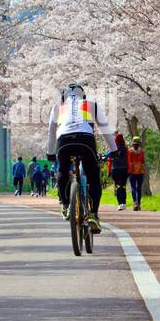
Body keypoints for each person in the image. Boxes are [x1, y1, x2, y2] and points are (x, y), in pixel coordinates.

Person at [46, 82, 116, 232]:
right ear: (83, 95)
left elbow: (51, 131)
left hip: (63, 141)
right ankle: (93, 215)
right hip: (85, 140)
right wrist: (114, 150)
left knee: (63, 171)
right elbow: (104, 129)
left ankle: (65, 205)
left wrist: (50, 153)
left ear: (64, 97)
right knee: (93, 176)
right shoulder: (91, 104)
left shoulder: (57, 108)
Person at [106, 132, 130, 211]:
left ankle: (120, 203)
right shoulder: (126, 149)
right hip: (124, 169)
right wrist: (129, 170)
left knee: (118, 186)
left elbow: (109, 160)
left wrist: (108, 170)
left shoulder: (113, 149)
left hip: (115, 169)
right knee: (123, 186)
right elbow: (129, 160)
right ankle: (124, 203)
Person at [127, 136, 146, 211]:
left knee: (133, 188)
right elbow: (143, 162)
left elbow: (128, 161)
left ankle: (135, 203)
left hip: (132, 171)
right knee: (139, 188)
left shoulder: (129, 151)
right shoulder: (142, 151)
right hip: (140, 171)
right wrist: (143, 170)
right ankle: (139, 204)